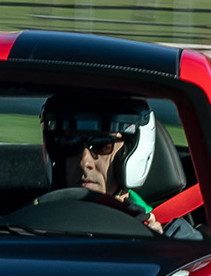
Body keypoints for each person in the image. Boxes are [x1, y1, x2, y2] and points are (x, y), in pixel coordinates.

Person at [37, 90, 200, 238]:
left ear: (131, 153)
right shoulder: (35, 223)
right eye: (69, 143)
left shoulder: (176, 236)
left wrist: (157, 248)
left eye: (102, 144)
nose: (84, 162)